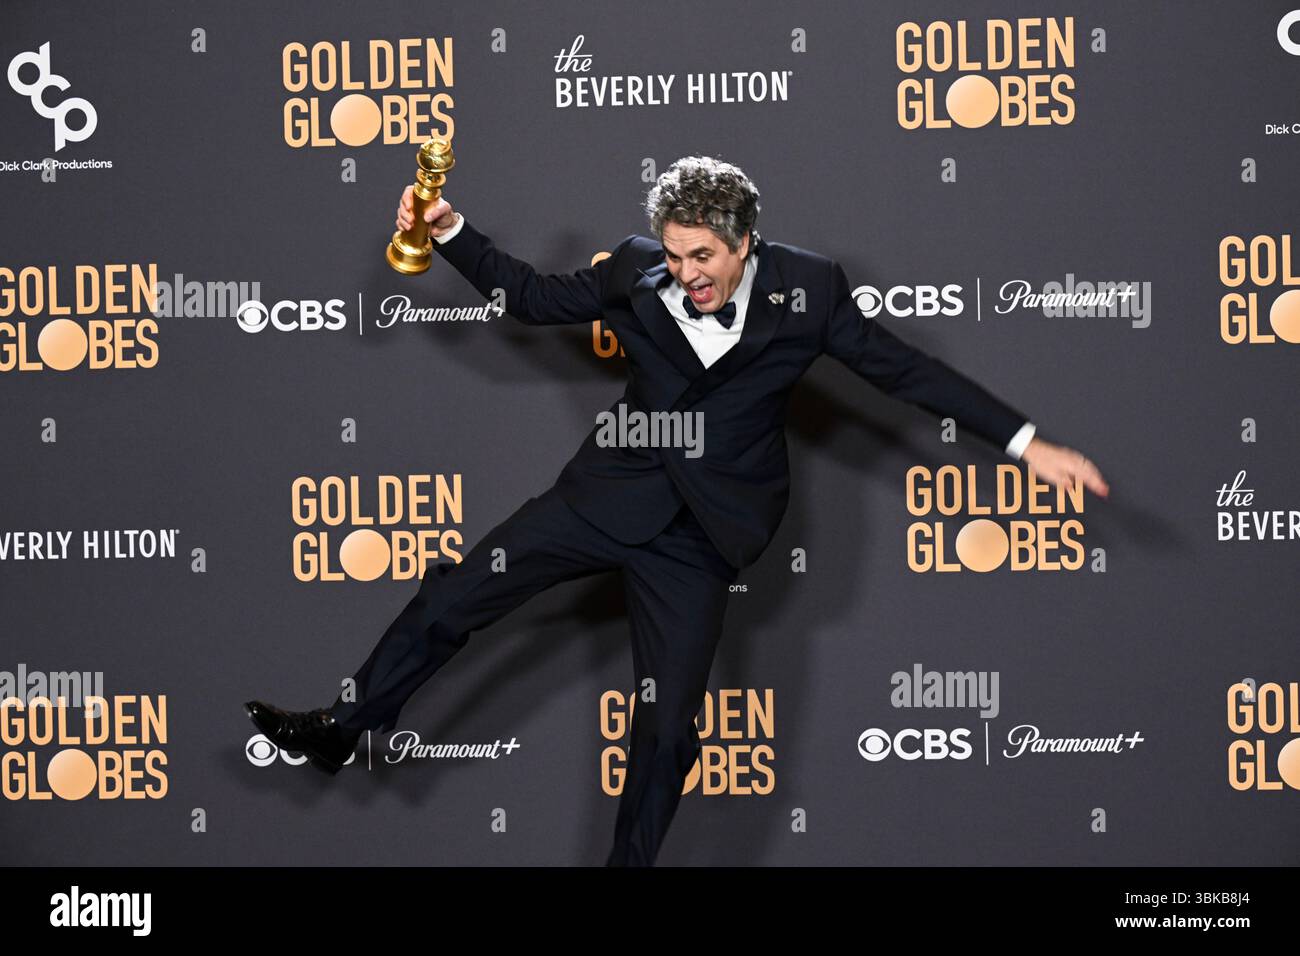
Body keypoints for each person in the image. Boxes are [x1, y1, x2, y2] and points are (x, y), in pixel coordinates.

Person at [246, 156, 1109, 866]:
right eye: (674, 254)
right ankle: (342, 726)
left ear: (744, 243)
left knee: (664, 731)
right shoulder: (634, 268)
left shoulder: (809, 293)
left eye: (702, 257)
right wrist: (449, 235)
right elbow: (538, 300)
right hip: (604, 494)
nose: (685, 274)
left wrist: (1025, 442)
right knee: (453, 595)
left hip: (702, 536)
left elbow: (906, 372)